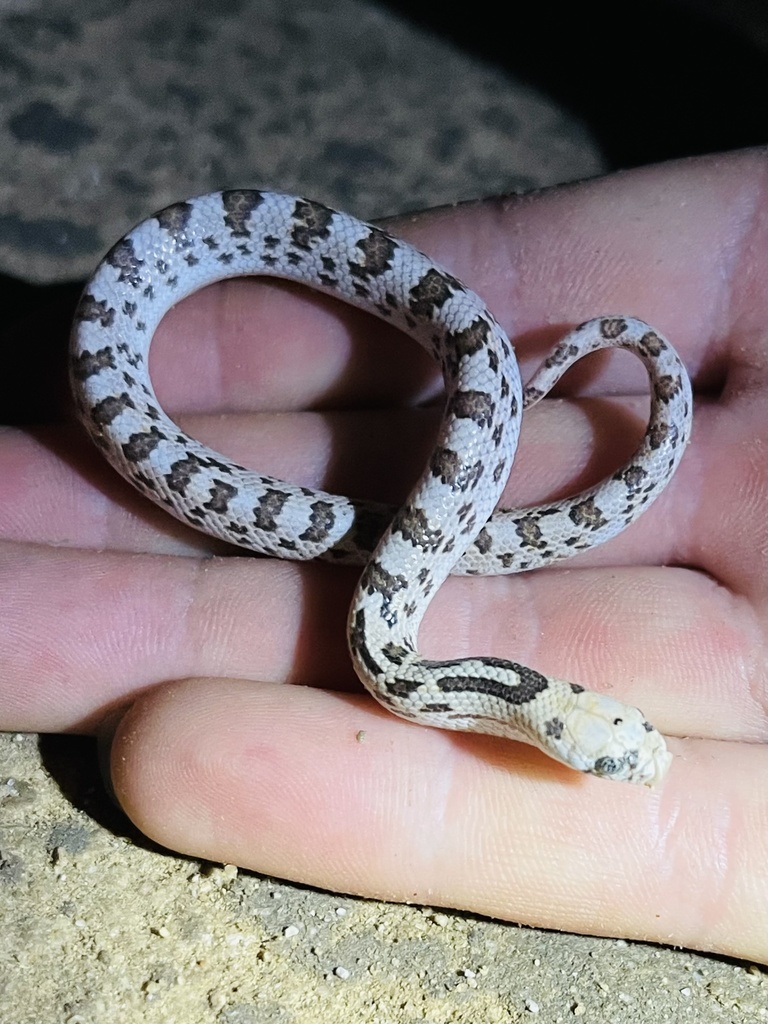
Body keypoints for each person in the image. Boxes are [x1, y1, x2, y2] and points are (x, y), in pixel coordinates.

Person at [2, 149, 765, 963]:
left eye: (613, 752)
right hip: (167, 333)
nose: (635, 759)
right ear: (568, 705)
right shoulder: (409, 673)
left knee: (476, 368)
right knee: (476, 354)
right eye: (618, 750)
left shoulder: (400, 670)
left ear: (556, 722)